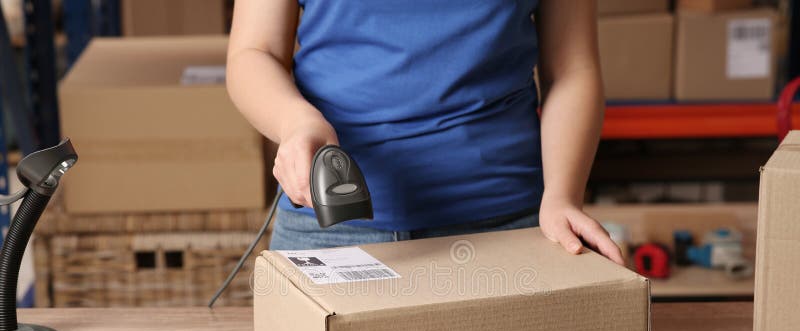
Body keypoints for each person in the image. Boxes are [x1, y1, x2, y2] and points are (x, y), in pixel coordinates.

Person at [226, 0, 623, 265]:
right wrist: (296, 123)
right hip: (330, 225)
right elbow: (254, 52)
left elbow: (572, 68)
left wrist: (562, 196)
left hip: (508, 223)